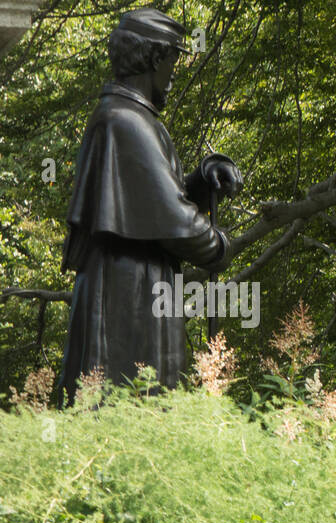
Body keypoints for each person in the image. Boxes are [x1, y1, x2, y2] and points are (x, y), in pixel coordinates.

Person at [55, 8, 242, 407]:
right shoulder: (127, 122)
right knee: (123, 404)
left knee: (138, 404)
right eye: (173, 61)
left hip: (135, 285)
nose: (175, 73)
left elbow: (151, 201)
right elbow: (172, 219)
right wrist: (219, 246)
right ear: (155, 59)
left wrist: (202, 180)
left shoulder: (130, 118)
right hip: (126, 295)